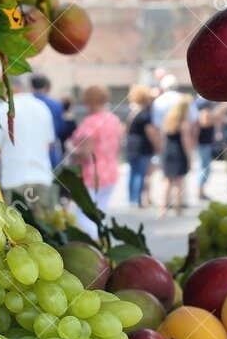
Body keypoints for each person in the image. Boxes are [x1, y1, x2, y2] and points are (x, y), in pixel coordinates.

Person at [0, 74, 56, 214]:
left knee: (16, 231)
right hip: (42, 177)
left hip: (13, 180)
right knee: (42, 231)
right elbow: (50, 144)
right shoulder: (42, 107)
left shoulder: (3, 109)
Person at [66, 85, 123, 226]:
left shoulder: (91, 122)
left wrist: (70, 150)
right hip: (110, 172)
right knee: (100, 213)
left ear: (89, 101)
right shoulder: (114, 119)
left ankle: (93, 245)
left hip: (90, 175)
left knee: (85, 217)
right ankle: (100, 244)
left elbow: (86, 153)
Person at [124, 85, 158, 208]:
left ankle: (131, 198)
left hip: (131, 144)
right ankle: (138, 200)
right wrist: (157, 146)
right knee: (141, 173)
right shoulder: (145, 114)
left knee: (132, 172)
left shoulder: (130, 111)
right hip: (142, 146)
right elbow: (150, 132)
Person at [159, 93, 193, 213]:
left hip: (167, 151)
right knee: (179, 181)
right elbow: (186, 141)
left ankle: (163, 207)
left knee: (167, 180)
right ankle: (177, 208)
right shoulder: (183, 123)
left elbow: (162, 137)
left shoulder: (168, 120)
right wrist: (190, 158)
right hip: (179, 152)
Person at [30, 72, 66, 166]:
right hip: (51, 150)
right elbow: (60, 128)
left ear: (31, 86)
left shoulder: (27, 104)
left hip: (31, 149)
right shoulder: (56, 104)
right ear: (46, 86)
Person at [195, 102, 218, 199]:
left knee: (205, 168)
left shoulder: (207, 115)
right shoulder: (204, 115)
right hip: (203, 145)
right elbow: (205, 123)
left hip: (206, 144)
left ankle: (201, 191)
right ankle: (200, 192)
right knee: (204, 168)